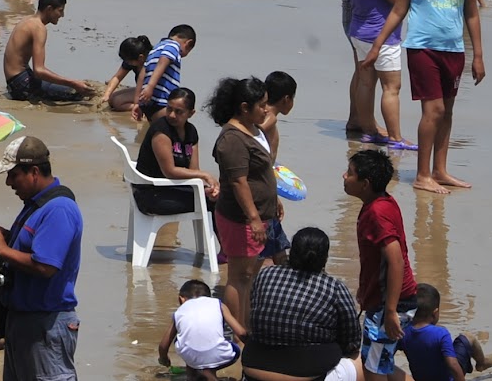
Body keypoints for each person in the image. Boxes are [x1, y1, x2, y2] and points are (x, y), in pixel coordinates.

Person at [368, 0, 483, 194]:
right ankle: (422, 175)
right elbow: (399, 10)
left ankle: (439, 170)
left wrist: (478, 56)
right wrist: (377, 45)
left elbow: (472, 15)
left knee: (447, 111)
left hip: (453, 50)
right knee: (434, 110)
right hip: (421, 49)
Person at [0, 135, 82, 381]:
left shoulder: (58, 209)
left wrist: (2, 249)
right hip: (24, 320)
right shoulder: (35, 205)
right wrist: (9, 238)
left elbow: (45, 266)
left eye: (13, 175)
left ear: (34, 172)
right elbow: (34, 246)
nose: (9, 182)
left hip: (47, 323)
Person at [241, 228, 363, 381]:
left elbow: (250, 322)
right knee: (362, 362)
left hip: (254, 370)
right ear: (325, 258)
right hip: (308, 374)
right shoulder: (334, 287)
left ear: (292, 252)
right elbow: (352, 342)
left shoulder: (265, 274)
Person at [342, 149, 418, 381]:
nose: (344, 176)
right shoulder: (382, 202)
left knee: (373, 369)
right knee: (377, 362)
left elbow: (396, 260)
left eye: (350, 173)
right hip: (387, 299)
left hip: (392, 302)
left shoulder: (377, 213)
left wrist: (391, 311)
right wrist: (366, 290)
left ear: (365, 184)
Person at [209, 75, 278, 328]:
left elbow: (262, 172)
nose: (267, 110)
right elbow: (239, 182)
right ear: (244, 108)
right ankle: (238, 332)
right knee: (239, 277)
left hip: (257, 213)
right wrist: (254, 219)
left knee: (248, 276)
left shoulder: (254, 129)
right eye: (262, 105)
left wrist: (274, 200)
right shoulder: (232, 140)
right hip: (240, 218)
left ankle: (245, 326)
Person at [343, 0, 412, 148]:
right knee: (391, 87)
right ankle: (395, 138)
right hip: (381, 37)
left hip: (358, 32)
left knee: (366, 82)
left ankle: (369, 131)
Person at [135, 87, 220, 214]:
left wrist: (207, 189)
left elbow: (193, 170)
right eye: (169, 109)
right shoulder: (161, 130)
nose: (172, 115)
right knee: (215, 204)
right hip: (151, 193)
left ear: (191, 113)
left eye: (179, 112)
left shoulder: (191, 132)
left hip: (175, 188)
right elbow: (169, 171)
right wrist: (205, 175)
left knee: (217, 198)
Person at [3, 0, 94, 102]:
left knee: (60, 85)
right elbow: (39, 70)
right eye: (60, 10)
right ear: (49, 9)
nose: (62, 15)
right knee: (77, 93)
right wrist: (73, 83)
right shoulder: (39, 28)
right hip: (20, 85)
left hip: (14, 80)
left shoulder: (28, 20)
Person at [400, 283, 492, 381]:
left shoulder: (403, 332)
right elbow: (452, 364)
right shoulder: (440, 333)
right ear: (435, 313)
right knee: (468, 337)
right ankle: (482, 363)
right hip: (448, 378)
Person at [159, 278, 245, 381]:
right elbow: (241, 333)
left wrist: (164, 359)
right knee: (234, 349)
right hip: (218, 354)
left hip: (190, 355)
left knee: (184, 340)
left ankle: (194, 375)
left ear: (181, 299)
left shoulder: (179, 311)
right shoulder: (218, 304)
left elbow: (163, 346)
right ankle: (208, 372)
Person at [134, 25, 197, 119]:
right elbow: (162, 62)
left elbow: (142, 75)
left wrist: (136, 102)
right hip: (162, 101)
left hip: (147, 101)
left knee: (155, 126)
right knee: (173, 125)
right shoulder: (174, 46)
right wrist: (150, 87)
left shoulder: (155, 49)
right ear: (188, 43)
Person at [97, 36, 151, 111]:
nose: (127, 63)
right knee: (111, 98)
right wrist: (107, 94)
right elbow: (118, 77)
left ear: (141, 57)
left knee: (117, 102)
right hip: (141, 89)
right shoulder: (134, 61)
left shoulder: (151, 61)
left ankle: (143, 108)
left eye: (128, 61)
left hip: (152, 91)